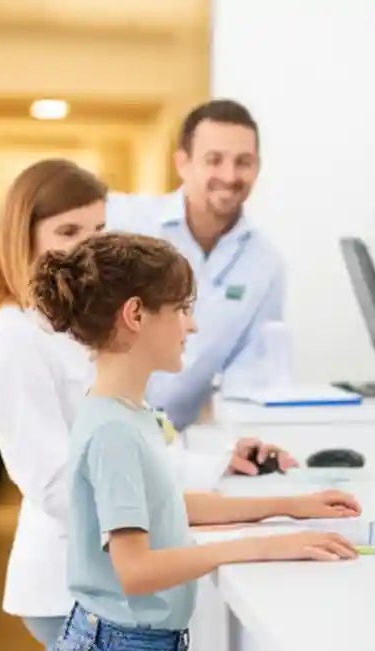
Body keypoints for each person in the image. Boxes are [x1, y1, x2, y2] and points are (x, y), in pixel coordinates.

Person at [0, 158, 300, 651]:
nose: (87, 246)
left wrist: (219, 463)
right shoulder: (11, 337)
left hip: (109, 577)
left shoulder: (75, 324)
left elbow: (132, 447)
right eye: (67, 231)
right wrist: (164, 527)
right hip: (70, 582)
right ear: (24, 237)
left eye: (99, 229)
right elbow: (55, 481)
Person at [35, 231, 359, 651]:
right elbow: (136, 570)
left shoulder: (128, 413)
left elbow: (166, 505)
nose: (192, 325)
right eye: (182, 308)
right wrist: (261, 547)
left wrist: (287, 506)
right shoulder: (113, 432)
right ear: (136, 315)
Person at [105, 99, 285, 428]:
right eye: (214, 160)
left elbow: (252, 371)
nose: (230, 176)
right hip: (103, 424)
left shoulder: (266, 264)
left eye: (244, 162)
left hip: (176, 443)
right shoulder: (128, 224)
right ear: (183, 163)